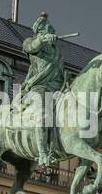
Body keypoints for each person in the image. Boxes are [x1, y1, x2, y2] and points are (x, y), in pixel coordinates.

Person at [20, 12, 68, 170]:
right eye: (49, 29)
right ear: (39, 31)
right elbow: (32, 47)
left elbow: (60, 72)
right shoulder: (31, 43)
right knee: (43, 113)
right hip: (38, 87)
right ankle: (42, 153)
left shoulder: (58, 51)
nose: (53, 30)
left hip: (57, 87)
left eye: (52, 29)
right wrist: (43, 39)